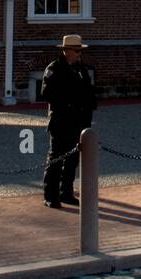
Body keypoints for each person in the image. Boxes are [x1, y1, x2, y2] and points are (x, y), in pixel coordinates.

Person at [41, 34, 97, 208]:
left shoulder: (81, 69)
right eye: (77, 50)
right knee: (56, 158)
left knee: (72, 160)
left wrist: (89, 110)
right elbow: (47, 93)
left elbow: (88, 91)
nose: (79, 54)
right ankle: (50, 195)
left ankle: (66, 192)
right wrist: (70, 102)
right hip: (61, 121)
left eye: (80, 51)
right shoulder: (55, 68)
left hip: (78, 122)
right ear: (67, 51)